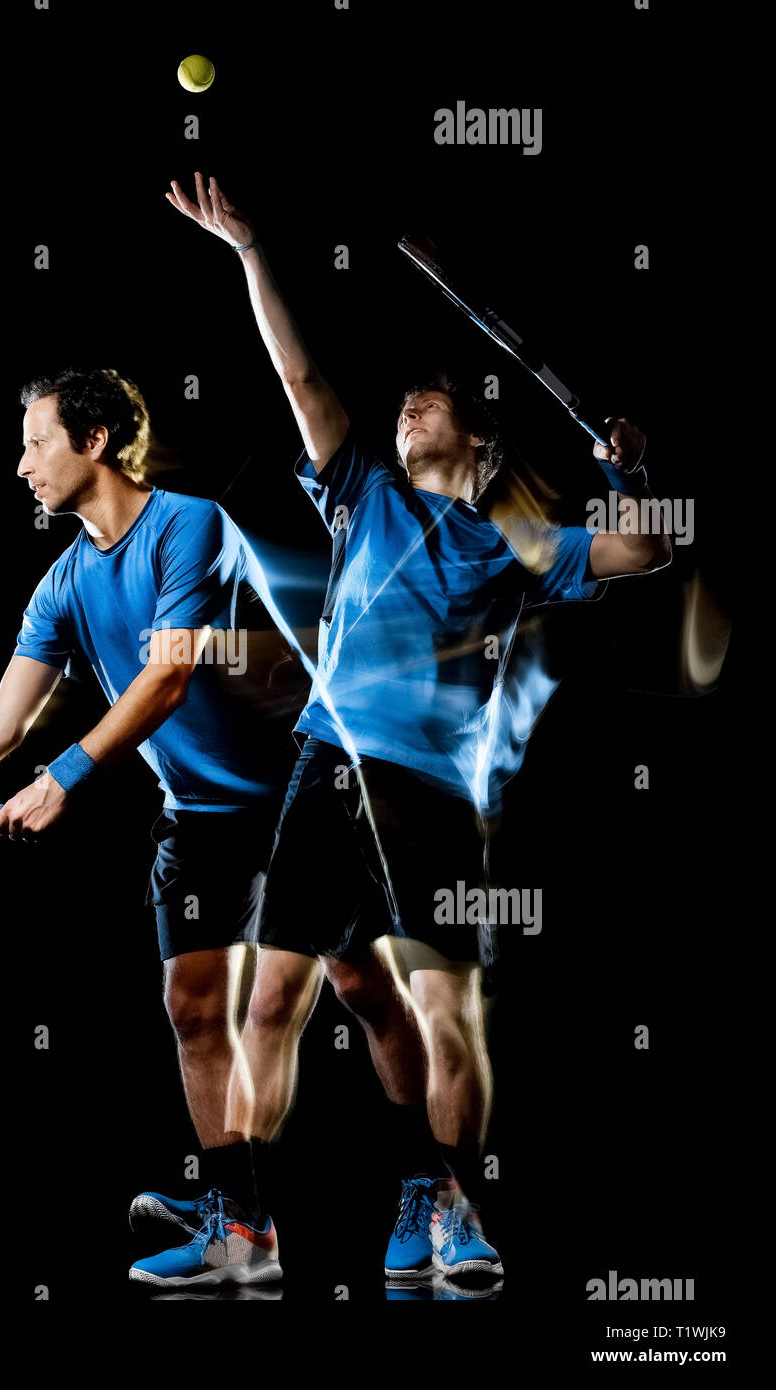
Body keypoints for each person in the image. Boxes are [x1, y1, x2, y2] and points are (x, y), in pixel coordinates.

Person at [165, 171, 672, 1282]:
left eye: (428, 404)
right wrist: (249, 251)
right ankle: (244, 1221)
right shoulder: (359, 491)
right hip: (323, 763)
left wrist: (626, 472)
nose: (404, 411)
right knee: (274, 996)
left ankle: (441, 1210)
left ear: (480, 446)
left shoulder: (513, 544)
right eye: (401, 404)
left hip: (427, 795)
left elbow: (644, 551)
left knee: (446, 1010)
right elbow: (296, 372)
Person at [0, 366, 298, 1288]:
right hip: (198, 819)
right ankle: (243, 1234)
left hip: (306, 799)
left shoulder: (191, 525)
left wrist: (66, 776)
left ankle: (437, 1192)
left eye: (35, 441)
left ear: (93, 442)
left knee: (331, 1003)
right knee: (193, 1012)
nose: (20, 466)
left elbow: (167, 677)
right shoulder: (60, 584)